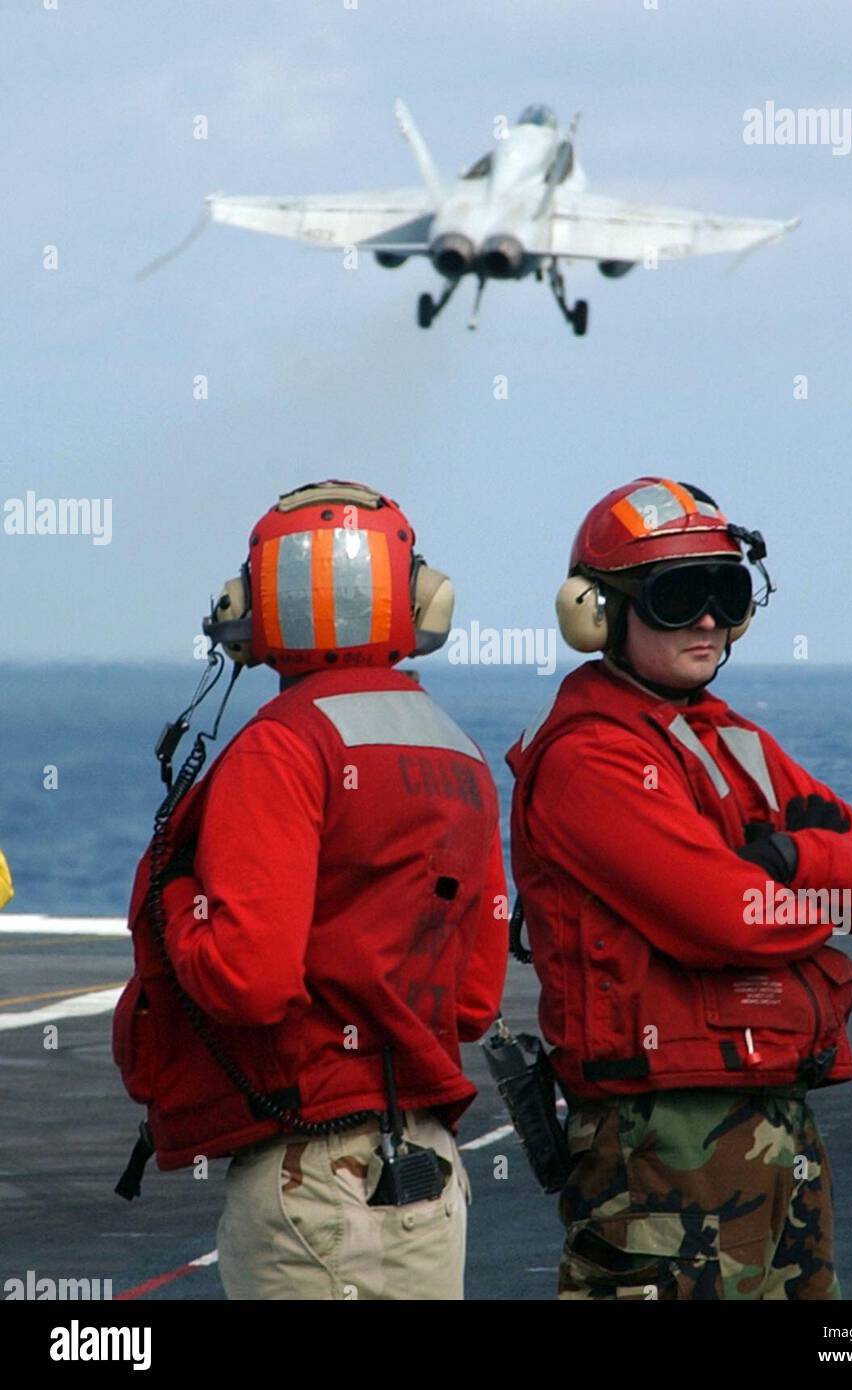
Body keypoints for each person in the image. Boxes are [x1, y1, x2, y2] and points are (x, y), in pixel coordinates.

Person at [506, 476, 852, 1300]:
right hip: (661, 1143)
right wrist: (812, 887)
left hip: (773, 1125)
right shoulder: (589, 758)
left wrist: (788, 859)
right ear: (598, 612)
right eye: (676, 596)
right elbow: (728, 919)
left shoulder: (728, 739)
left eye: (726, 593)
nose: (707, 621)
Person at [114, 480, 507, 1300]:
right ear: (419, 603)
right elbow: (471, 1003)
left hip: (312, 1181)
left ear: (248, 611)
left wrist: (175, 898)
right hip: (427, 1177)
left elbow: (247, 980)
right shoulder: (459, 754)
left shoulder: (281, 748)